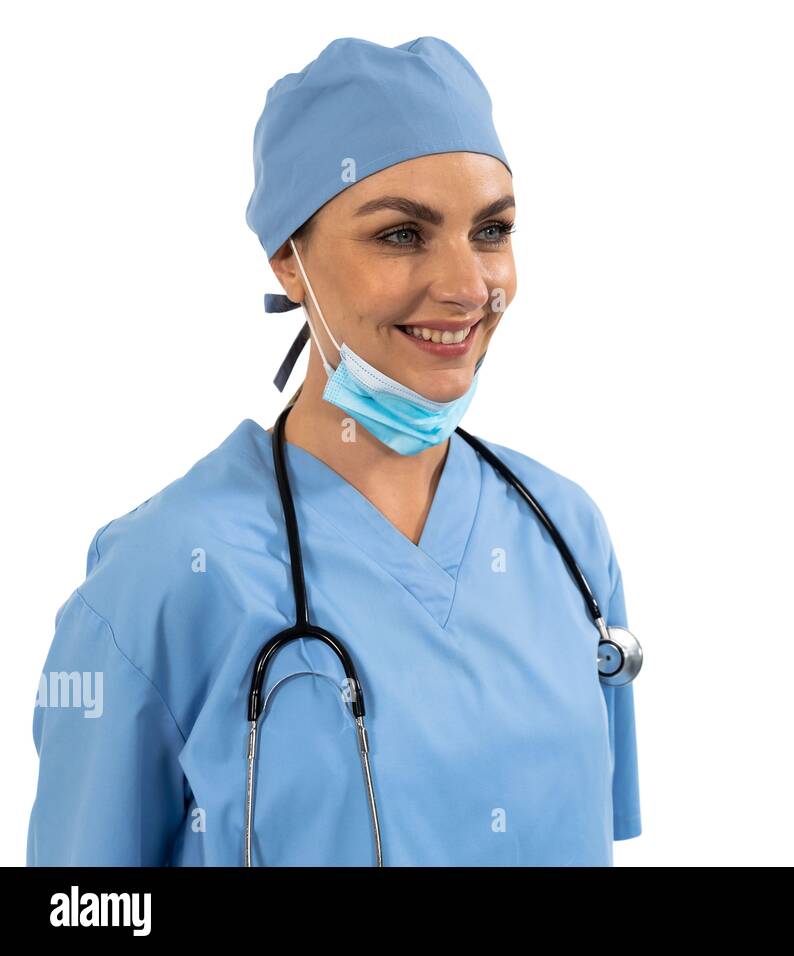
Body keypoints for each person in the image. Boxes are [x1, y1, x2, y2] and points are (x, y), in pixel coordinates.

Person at [26, 36, 641, 866]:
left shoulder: (565, 533)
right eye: (400, 235)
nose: (467, 286)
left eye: (491, 229)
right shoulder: (166, 573)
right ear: (289, 258)